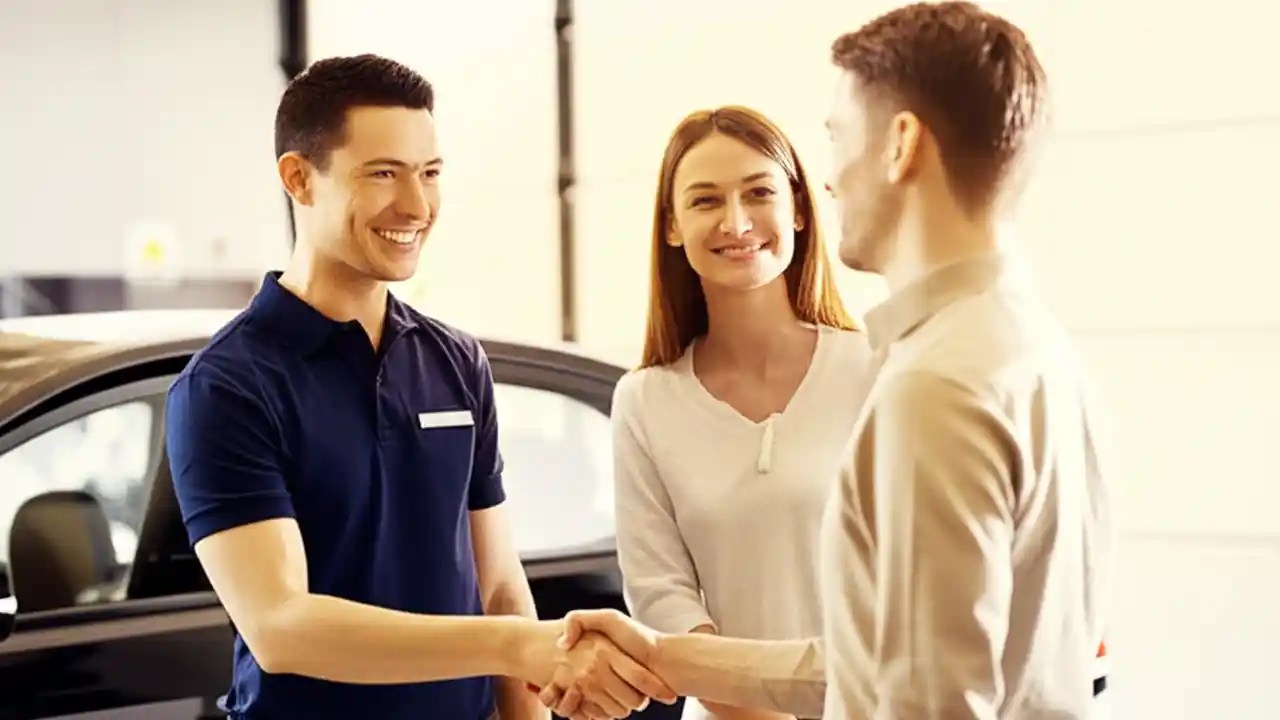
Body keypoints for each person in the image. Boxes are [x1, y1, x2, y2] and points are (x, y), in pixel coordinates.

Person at [540, 3, 1113, 719]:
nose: (832, 177)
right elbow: (874, 664)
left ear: (900, 143)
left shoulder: (931, 384)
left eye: (838, 137)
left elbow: (926, 701)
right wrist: (661, 656)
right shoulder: (1028, 342)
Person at [164, 54, 674, 720]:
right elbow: (282, 627)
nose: (416, 206)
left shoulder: (456, 362)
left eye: (430, 174)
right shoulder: (227, 388)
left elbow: (497, 586)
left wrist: (525, 687)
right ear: (299, 178)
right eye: (383, 175)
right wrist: (518, 646)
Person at [610, 105, 874, 720]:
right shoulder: (645, 401)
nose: (736, 221)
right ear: (672, 226)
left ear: (799, 210)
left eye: (759, 193)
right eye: (705, 201)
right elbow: (661, 597)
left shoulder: (877, 370)